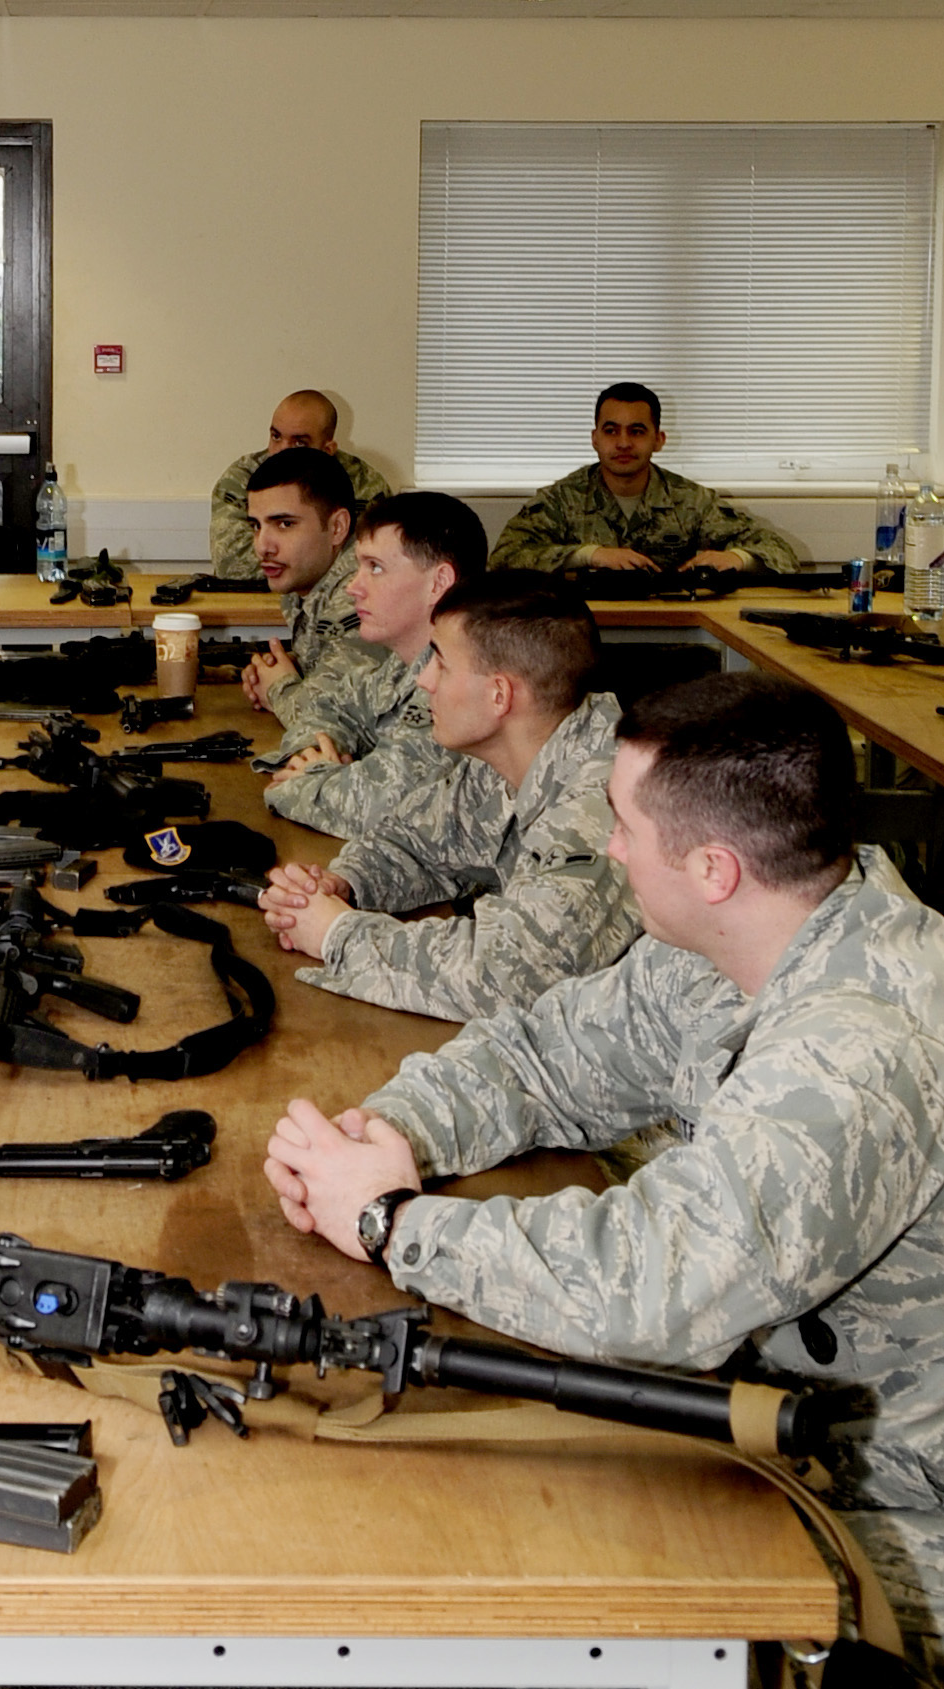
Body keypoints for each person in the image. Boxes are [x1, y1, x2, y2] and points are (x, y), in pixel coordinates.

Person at [262, 671, 944, 1682]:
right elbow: (543, 1054)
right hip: (754, 1416)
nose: (610, 846)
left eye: (623, 823)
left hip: (877, 1498)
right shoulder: (746, 929)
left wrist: (390, 1226)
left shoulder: (858, 1050)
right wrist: (397, 1133)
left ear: (712, 867)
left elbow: (663, 1285)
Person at [259, 572, 638, 1022]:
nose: (424, 681)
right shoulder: (508, 755)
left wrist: (336, 933)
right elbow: (413, 842)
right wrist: (343, 885)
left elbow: (508, 974)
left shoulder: (610, 800)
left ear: (499, 695)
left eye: (440, 662)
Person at [262, 490, 486, 840]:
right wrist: (317, 759)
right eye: (359, 566)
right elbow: (327, 709)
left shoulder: (468, 680)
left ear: (439, 583)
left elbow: (381, 808)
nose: (353, 587)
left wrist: (308, 779)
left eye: (376, 568)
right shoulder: (403, 665)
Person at [489, 381, 799, 574]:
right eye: (611, 431)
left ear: (659, 439)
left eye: (637, 431)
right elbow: (505, 558)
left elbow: (782, 554)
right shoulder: (562, 499)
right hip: (588, 639)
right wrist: (590, 555)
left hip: (676, 642)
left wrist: (736, 559)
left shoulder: (692, 501)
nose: (623, 443)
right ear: (595, 438)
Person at [237, 446, 377, 726]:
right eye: (256, 525)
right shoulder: (305, 583)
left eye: (285, 524)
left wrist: (279, 689)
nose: (263, 546)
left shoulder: (362, 593)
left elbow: (334, 721)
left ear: (337, 527)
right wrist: (281, 671)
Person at [210, 389, 390, 581]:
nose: (282, 451)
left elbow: (378, 560)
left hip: (341, 602)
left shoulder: (365, 483)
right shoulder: (241, 478)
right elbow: (232, 563)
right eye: (276, 437)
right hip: (256, 601)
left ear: (327, 449)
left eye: (299, 443)